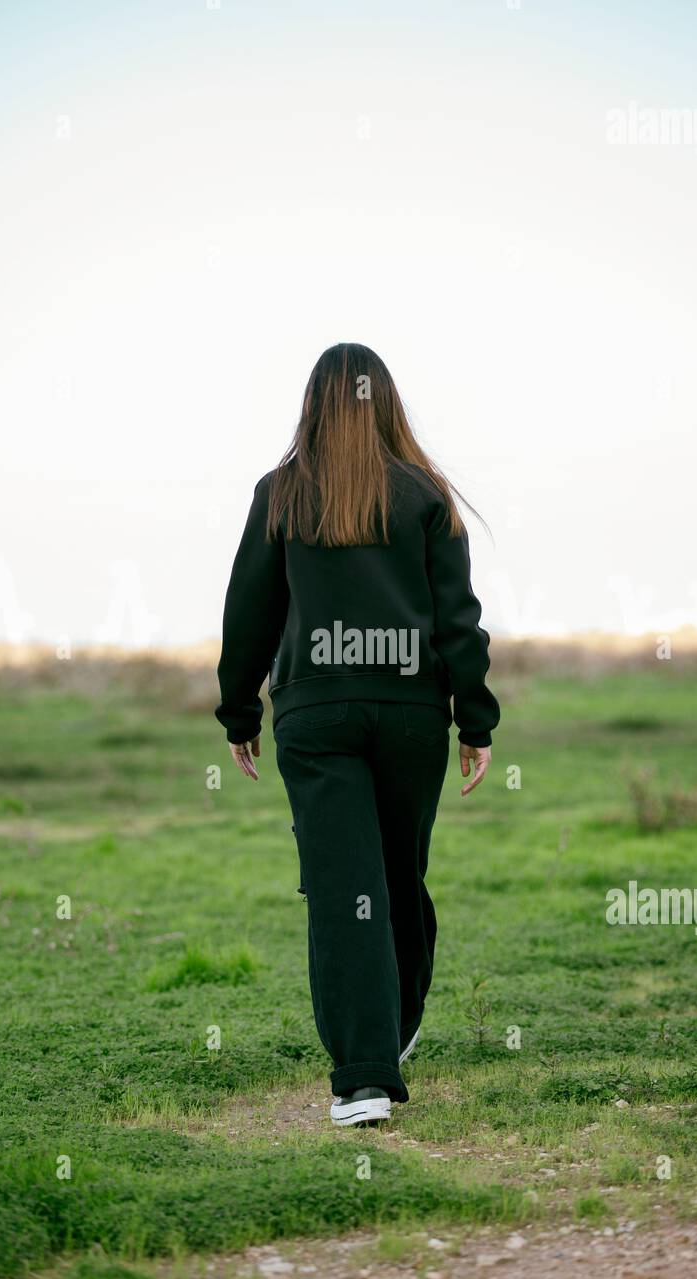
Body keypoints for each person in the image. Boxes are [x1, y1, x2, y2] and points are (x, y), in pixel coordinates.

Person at [215, 343, 499, 1126]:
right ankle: (377, 1052)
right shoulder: (425, 497)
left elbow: (249, 612)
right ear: (386, 404)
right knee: (395, 879)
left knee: (349, 889)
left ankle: (367, 1068)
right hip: (411, 715)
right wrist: (474, 718)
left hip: (316, 714)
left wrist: (240, 711)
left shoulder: (280, 495)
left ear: (313, 406)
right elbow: (458, 622)